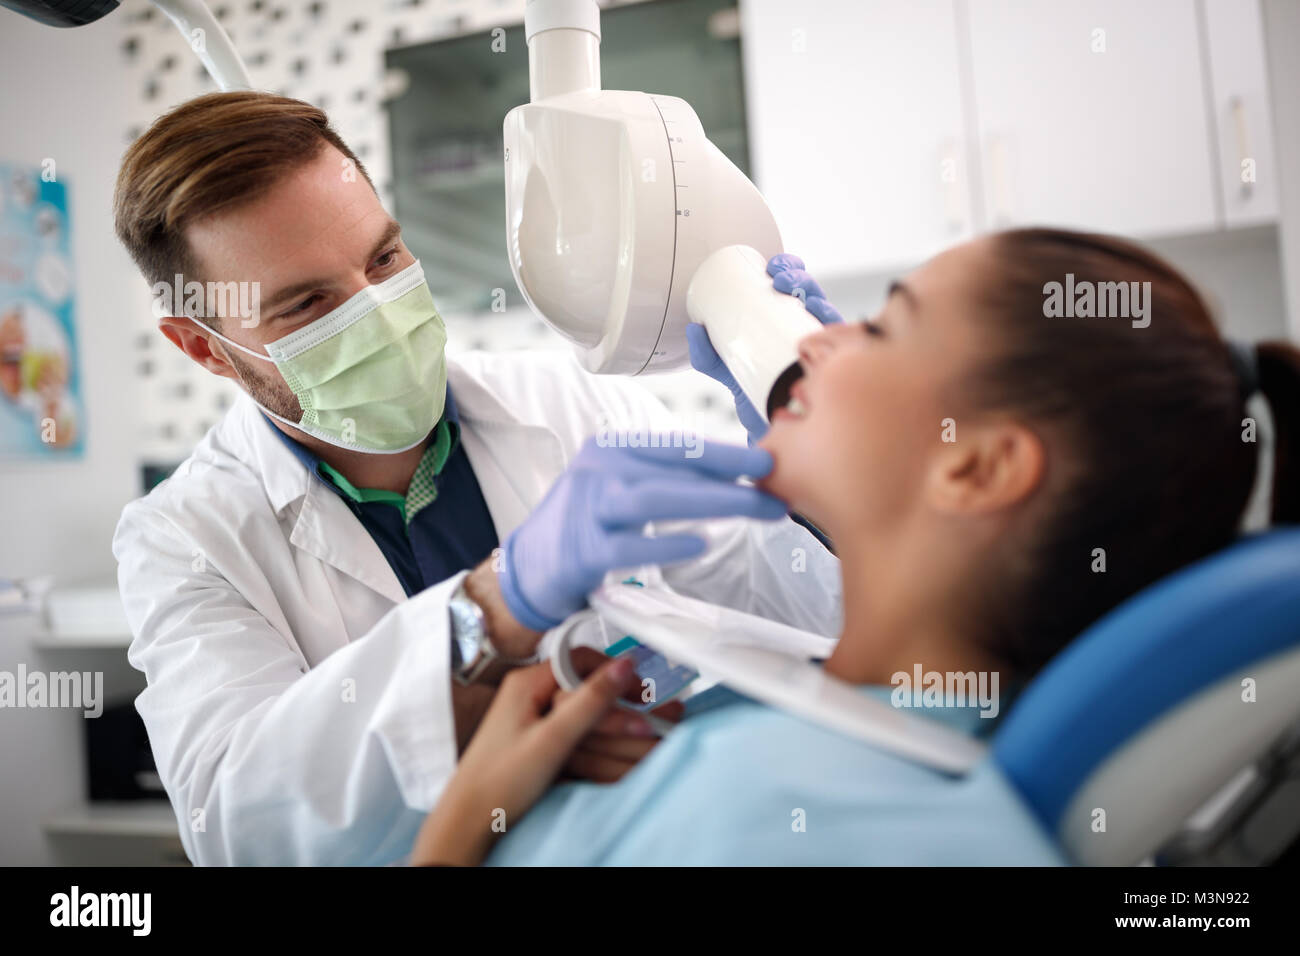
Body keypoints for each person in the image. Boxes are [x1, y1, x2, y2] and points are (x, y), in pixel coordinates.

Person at [408, 227, 1300, 865]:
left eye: (883, 326)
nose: (821, 336)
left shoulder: (762, 813)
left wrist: (463, 824)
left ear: (980, 468)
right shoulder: (848, 742)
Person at [109, 91, 842, 865]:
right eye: (308, 304)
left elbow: (801, 622)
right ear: (205, 348)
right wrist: (488, 613)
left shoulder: (573, 405)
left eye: (384, 258)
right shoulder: (184, 537)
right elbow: (237, 825)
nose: (381, 312)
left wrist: (819, 488)